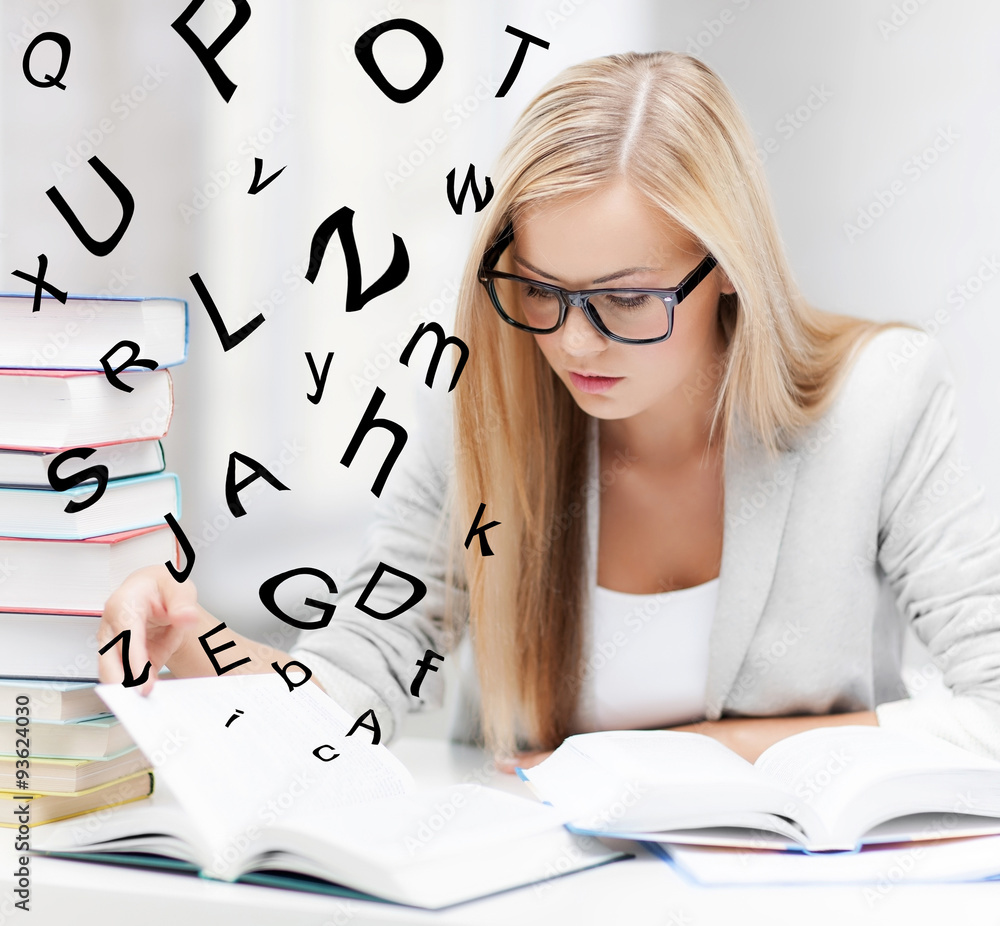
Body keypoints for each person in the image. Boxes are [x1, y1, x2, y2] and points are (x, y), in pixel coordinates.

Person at [98, 51, 1000, 772]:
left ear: (727, 270)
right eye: (540, 289)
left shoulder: (881, 400)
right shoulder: (478, 408)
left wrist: (691, 755)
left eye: (625, 298)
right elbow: (359, 678)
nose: (573, 344)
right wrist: (199, 644)